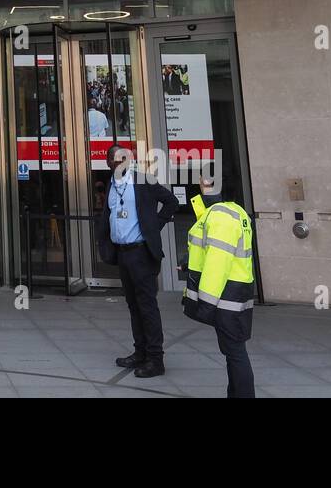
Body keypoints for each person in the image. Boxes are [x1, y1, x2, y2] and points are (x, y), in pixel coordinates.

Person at [98, 144, 178, 378]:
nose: (123, 162)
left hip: (141, 253)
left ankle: (156, 359)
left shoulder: (144, 181)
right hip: (123, 254)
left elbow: (172, 202)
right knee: (133, 306)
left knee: (147, 306)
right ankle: (140, 352)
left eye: (126, 158)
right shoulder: (112, 186)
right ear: (110, 163)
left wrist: (155, 225)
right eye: (118, 159)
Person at [183, 174, 256, 397]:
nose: (200, 186)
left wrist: (205, 303)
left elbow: (217, 263)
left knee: (235, 352)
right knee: (233, 350)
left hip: (226, 296)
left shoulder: (221, 215)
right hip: (235, 292)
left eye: (205, 183)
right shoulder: (234, 212)